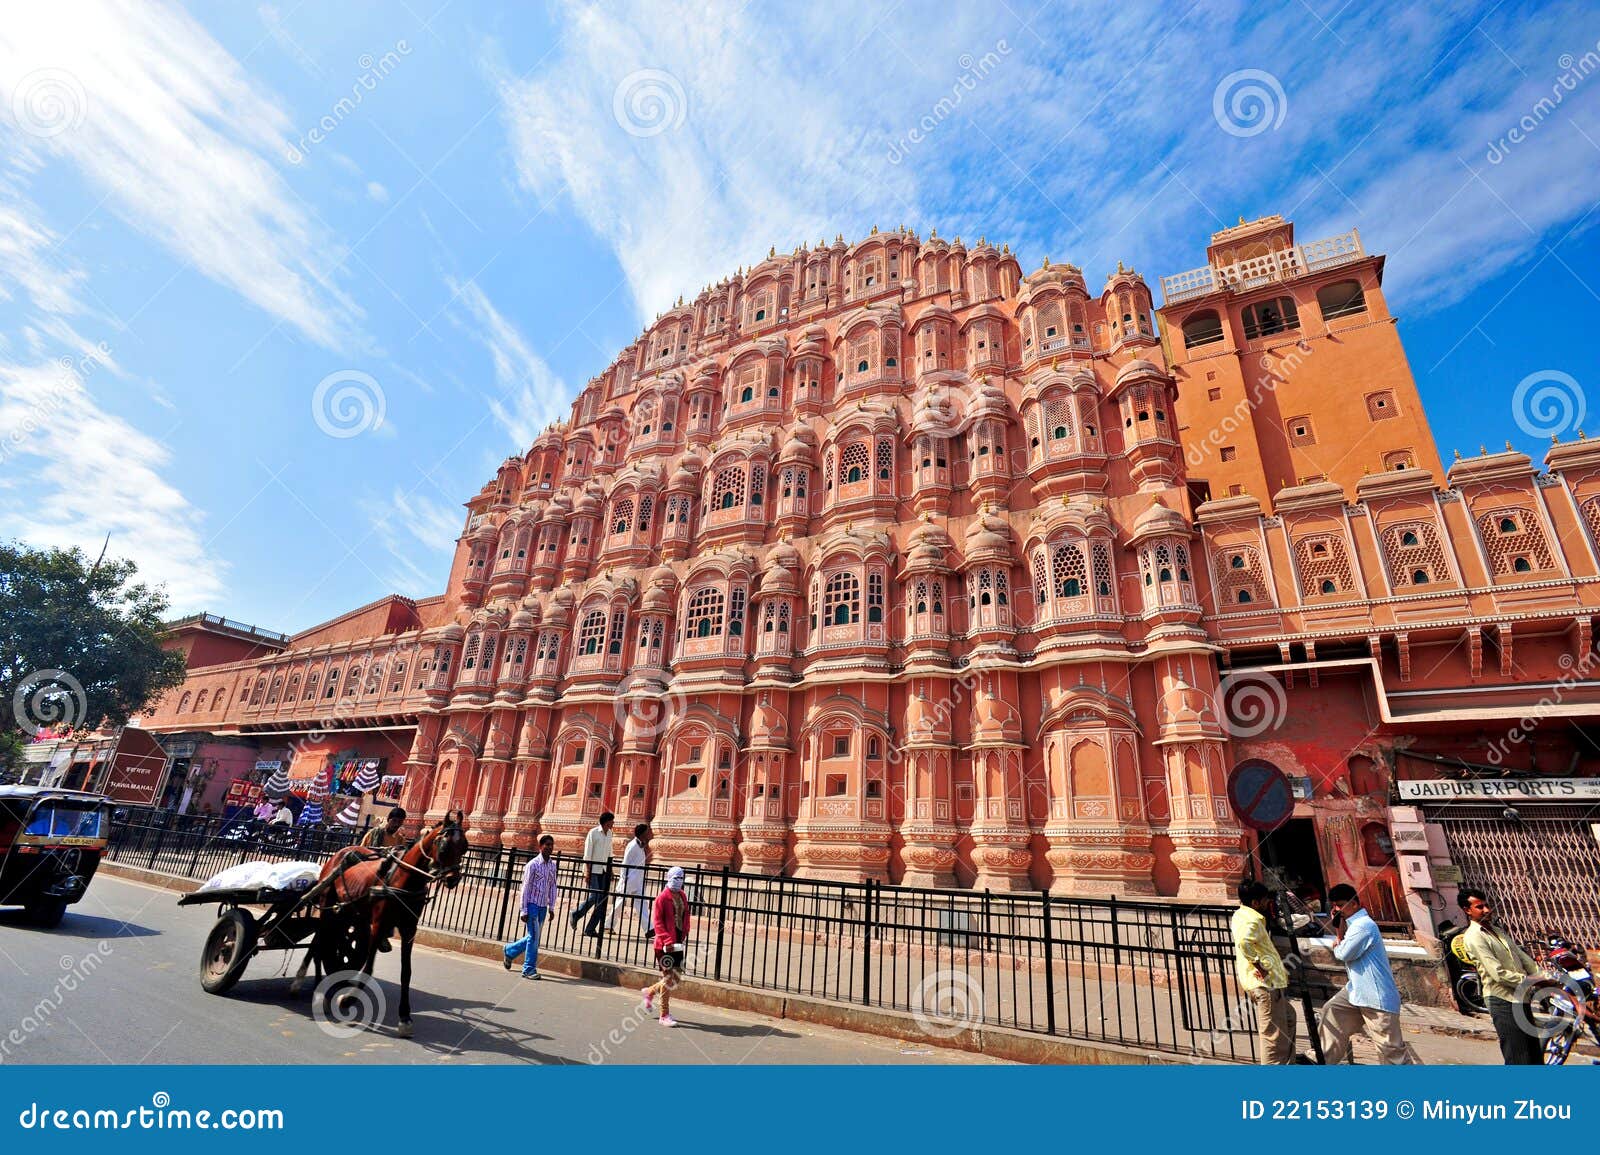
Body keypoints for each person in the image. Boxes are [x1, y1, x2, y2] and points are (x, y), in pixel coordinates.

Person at [1317, 882, 1419, 1064]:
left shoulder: (1363, 926)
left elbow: (1344, 953)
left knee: (1390, 1051)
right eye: (1334, 906)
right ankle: (1321, 1059)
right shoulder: (1354, 925)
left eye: (1340, 905)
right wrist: (1340, 932)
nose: (1337, 909)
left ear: (1354, 904)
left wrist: (1339, 936)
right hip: (1357, 992)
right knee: (1332, 1011)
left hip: (1376, 998)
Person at [1459, 887, 1543, 1064]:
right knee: (1518, 1056)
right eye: (1479, 907)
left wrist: (1541, 975)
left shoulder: (1498, 931)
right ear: (1467, 910)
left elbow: (1522, 957)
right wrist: (1529, 981)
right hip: (1502, 999)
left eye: (1486, 905)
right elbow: (1497, 974)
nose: (1486, 910)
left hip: (1520, 997)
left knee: (1533, 1053)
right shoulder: (1474, 937)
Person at [1231, 879, 1297, 1064]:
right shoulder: (1251, 919)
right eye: (1265, 900)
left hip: (1270, 982)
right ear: (1255, 902)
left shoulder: (1242, 915)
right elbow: (1244, 943)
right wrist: (1260, 967)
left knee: (1289, 1018)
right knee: (1272, 1036)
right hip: (1264, 984)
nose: (1269, 903)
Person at [641, 865, 691, 1027]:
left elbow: (686, 916)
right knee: (668, 979)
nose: (678, 881)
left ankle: (649, 992)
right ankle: (664, 1014)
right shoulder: (662, 898)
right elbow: (658, 922)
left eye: (681, 877)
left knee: (675, 978)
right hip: (664, 945)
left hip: (677, 942)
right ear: (668, 878)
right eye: (675, 877)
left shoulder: (682, 895)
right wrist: (667, 940)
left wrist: (684, 932)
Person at [504, 835, 559, 979]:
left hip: (543, 906)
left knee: (533, 937)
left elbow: (553, 886)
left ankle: (509, 951)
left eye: (551, 845)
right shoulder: (532, 865)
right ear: (540, 847)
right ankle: (528, 969)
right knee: (534, 937)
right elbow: (525, 887)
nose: (549, 847)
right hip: (532, 904)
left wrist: (552, 906)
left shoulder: (552, 866)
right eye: (546, 844)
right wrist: (524, 909)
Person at [569, 811, 615, 938]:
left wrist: (611, 871)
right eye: (612, 821)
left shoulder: (610, 834)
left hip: (604, 870)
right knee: (594, 896)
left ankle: (590, 929)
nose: (613, 823)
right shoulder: (593, 833)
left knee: (601, 902)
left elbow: (610, 853)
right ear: (606, 822)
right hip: (593, 870)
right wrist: (587, 872)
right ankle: (576, 914)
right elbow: (588, 854)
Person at [608, 823, 651, 935]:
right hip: (629, 880)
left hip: (638, 881)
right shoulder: (632, 846)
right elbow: (625, 863)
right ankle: (608, 925)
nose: (649, 835)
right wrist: (624, 879)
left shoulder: (641, 846)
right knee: (619, 904)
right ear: (642, 834)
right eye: (647, 833)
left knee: (642, 903)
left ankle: (648, 928)